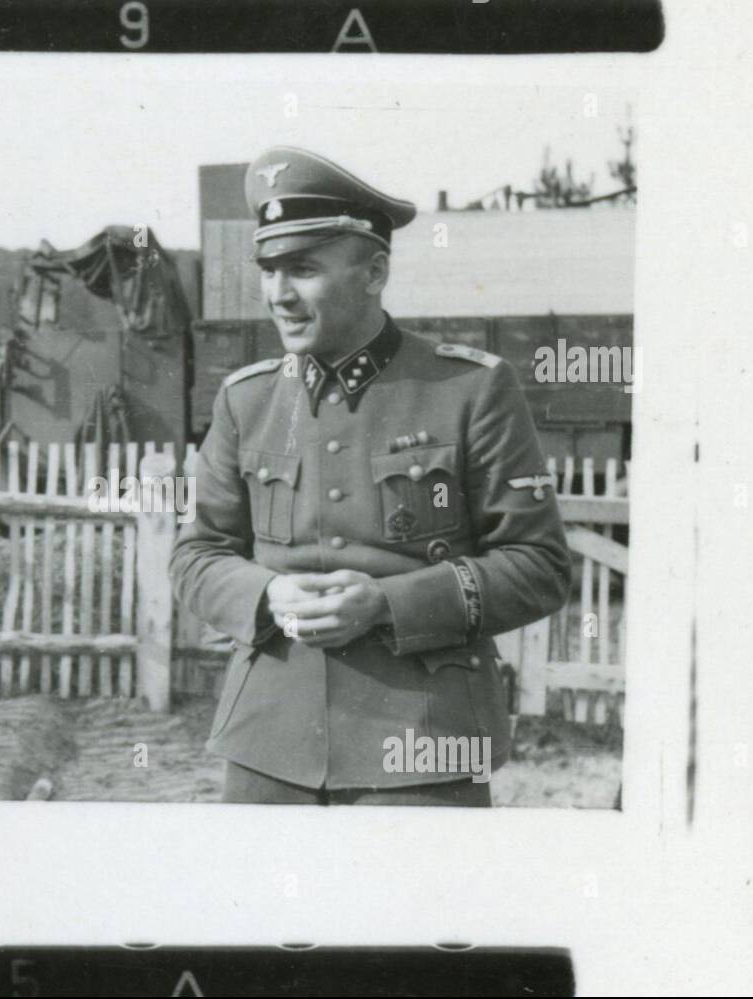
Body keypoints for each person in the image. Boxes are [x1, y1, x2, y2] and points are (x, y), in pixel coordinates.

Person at [169, 146, 572, 806]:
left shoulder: (471, 389)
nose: (278, 294)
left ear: (375, 270)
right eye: (268, 269)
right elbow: (197, 555)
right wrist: (269, 595)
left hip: (423, 743)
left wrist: (386, 603)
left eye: (302, 269)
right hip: (268, 743)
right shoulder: (246, 400)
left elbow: (540, 565)